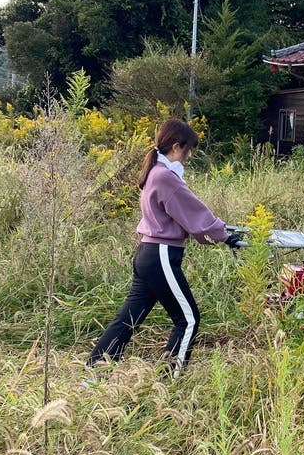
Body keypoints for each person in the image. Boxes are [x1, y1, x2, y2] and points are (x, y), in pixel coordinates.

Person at [87, 118, 241, 376]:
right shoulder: (165, 177)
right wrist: (223, 235)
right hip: (160, 255)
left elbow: (183, 217)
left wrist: (219, 232)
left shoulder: (155, 171)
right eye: (188, 150)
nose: (189, 156)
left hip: (147, 254)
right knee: (188, 319)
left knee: (128, 320)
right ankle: (169, 379)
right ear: (176, 145)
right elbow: (194, 212)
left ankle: (94, 373)